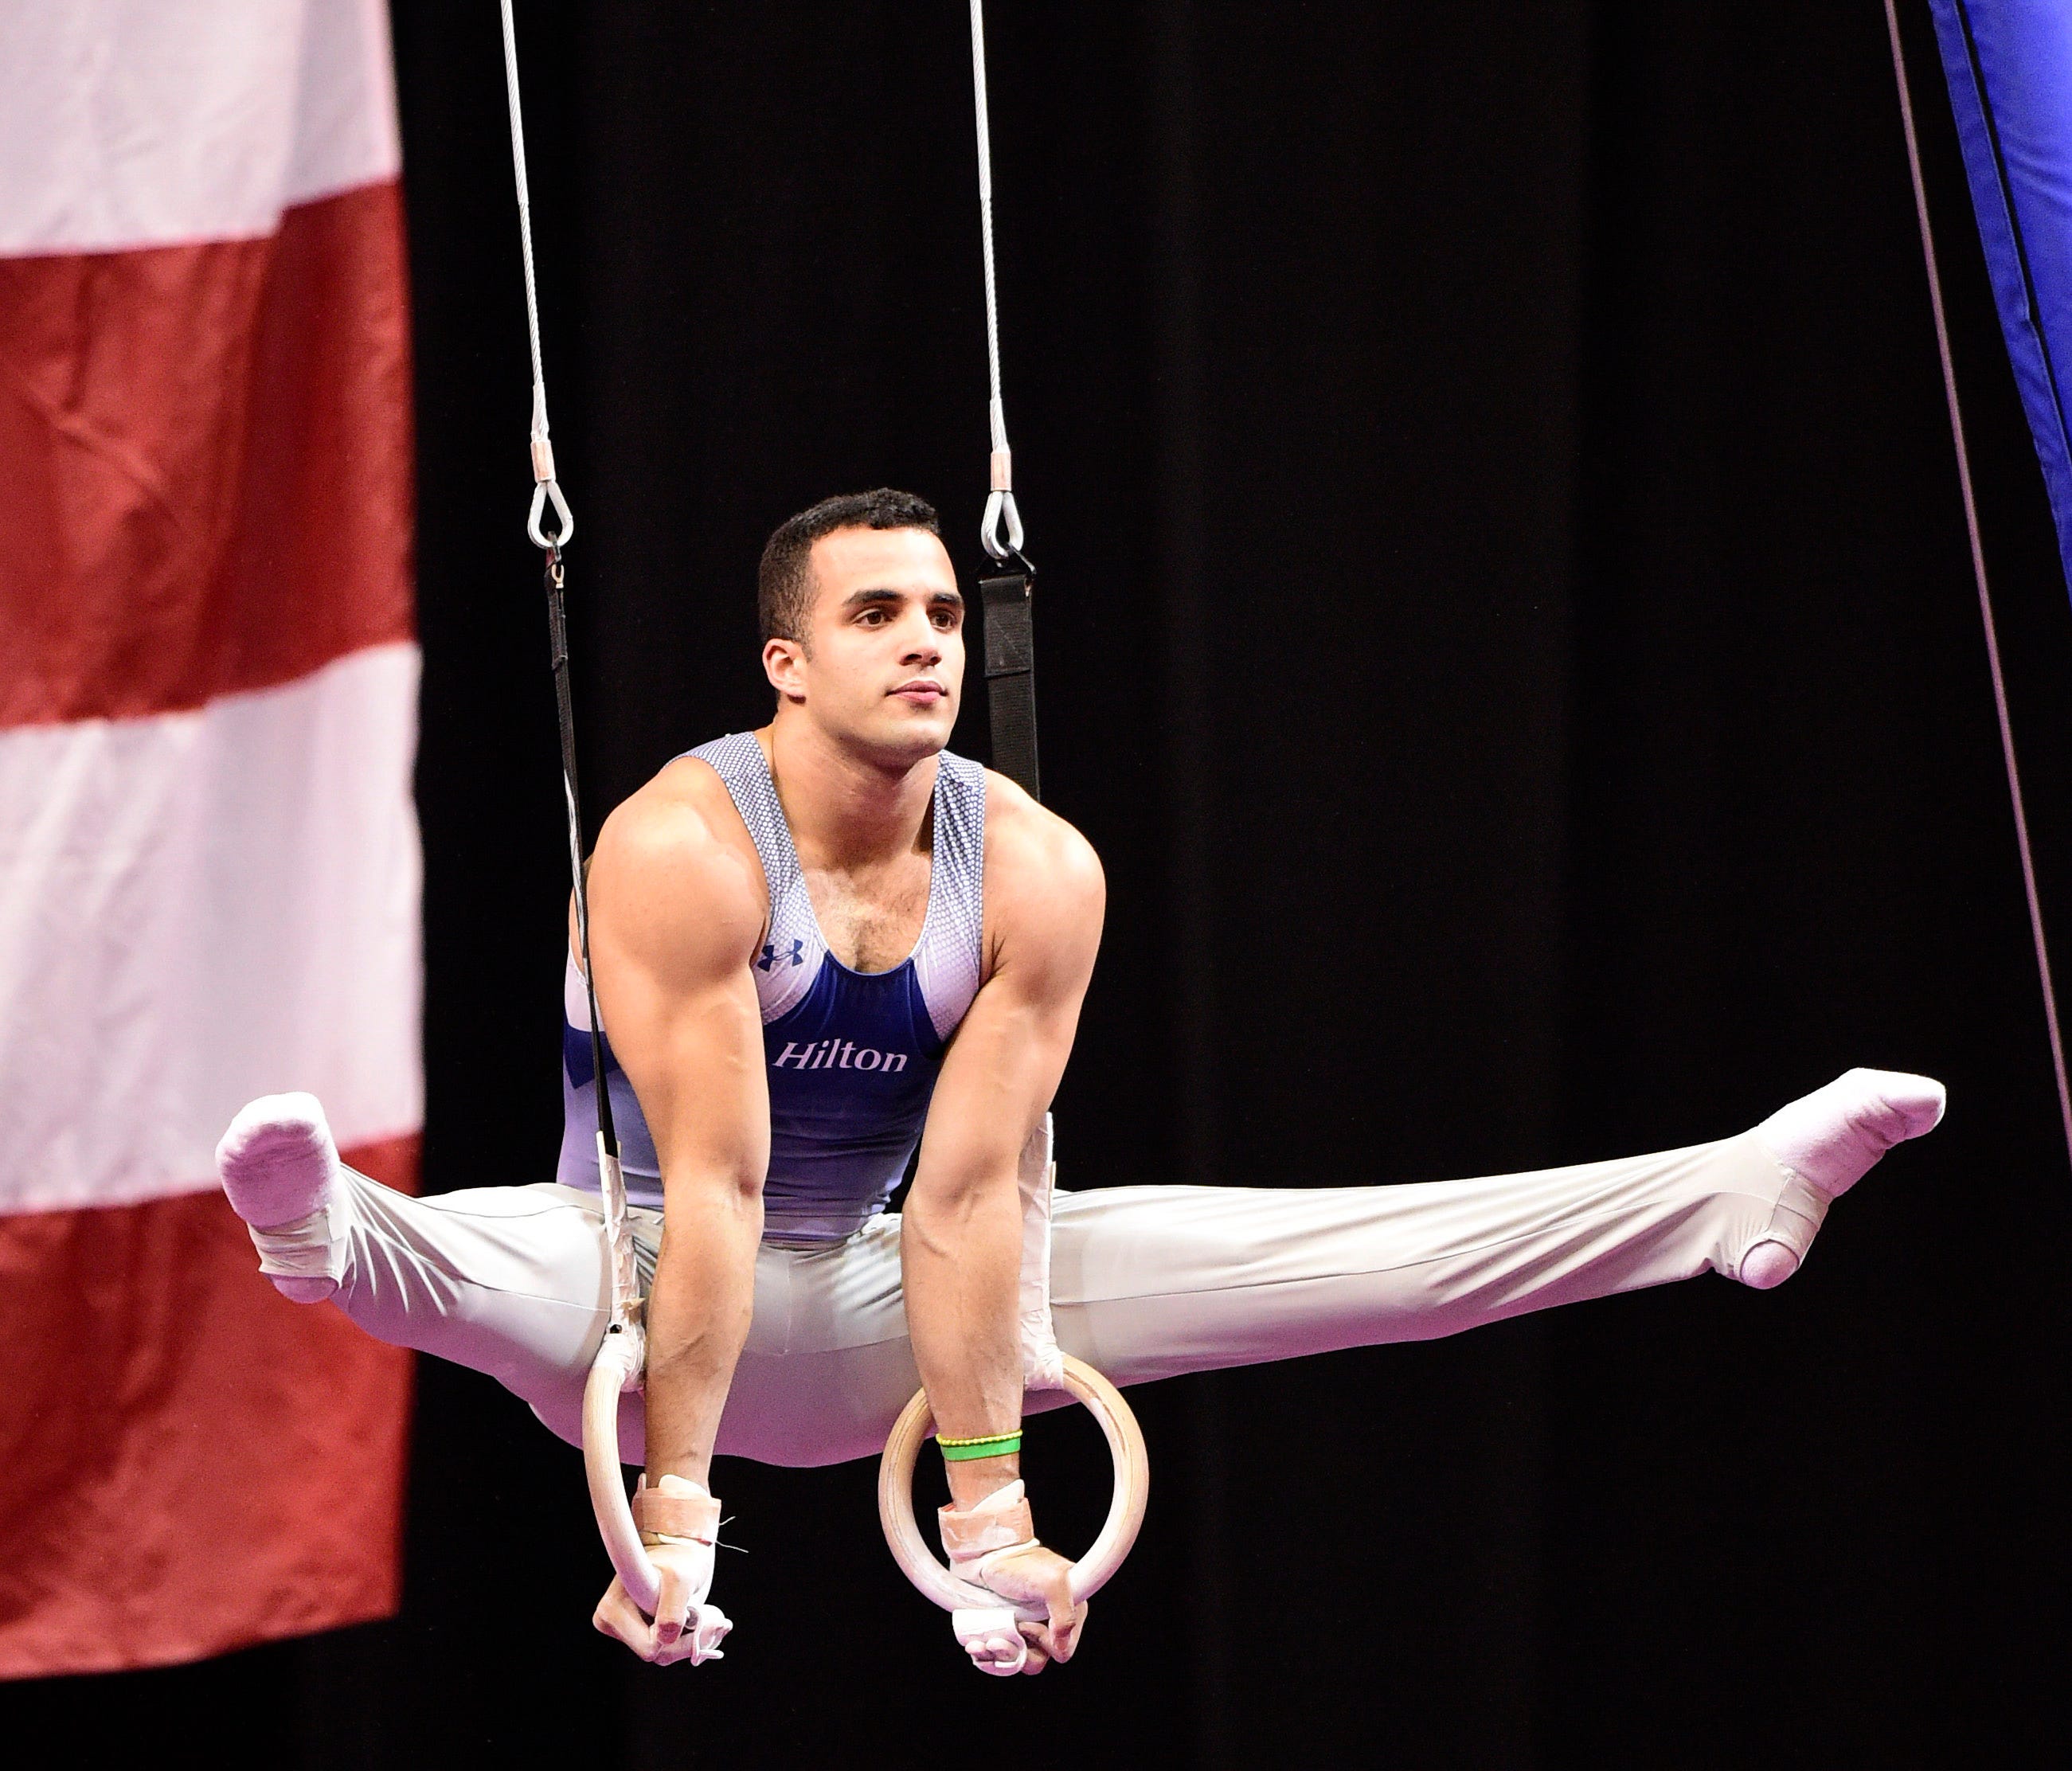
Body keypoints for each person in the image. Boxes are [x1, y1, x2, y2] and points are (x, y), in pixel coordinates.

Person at [216, 488, 1946, 1675]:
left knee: (1324, 1261)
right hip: (637, 1268)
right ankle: (321, 1226)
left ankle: (1721, 1187)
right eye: (874, 613)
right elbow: (719, 1190)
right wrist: (669, 1516)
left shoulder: (1034, 865)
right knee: (483, 1260)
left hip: (893, 1286)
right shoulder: (678, 844)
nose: (925, 644)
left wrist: (993, 1521)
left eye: (945, 613)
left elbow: (972, 1195)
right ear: (784, 664)